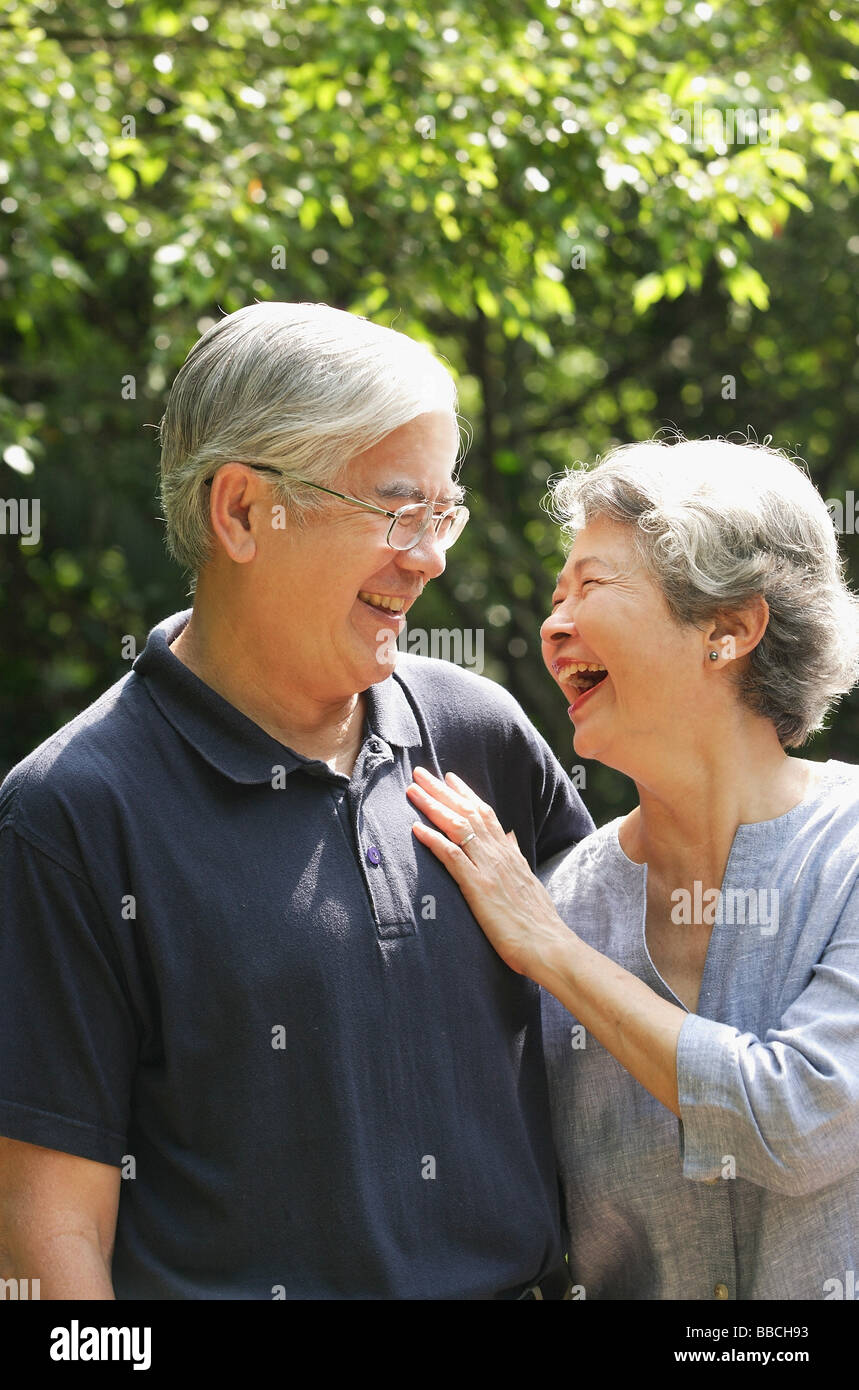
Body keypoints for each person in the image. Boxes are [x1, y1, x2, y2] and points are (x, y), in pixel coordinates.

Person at [0, 301, 592, 1300]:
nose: (430, 555)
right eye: (398, 511)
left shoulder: (480, 733)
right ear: (241, 511)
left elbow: (630, 1039)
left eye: (442, 514)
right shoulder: (73, 812)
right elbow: (46, 1245)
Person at [407, 436, 859, 1300]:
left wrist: (556, 956)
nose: (552, 623)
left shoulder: (540, 928)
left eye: (592, 585)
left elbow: (797, 1119)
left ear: (728, 628)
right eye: (555, 594)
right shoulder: (556, 899)